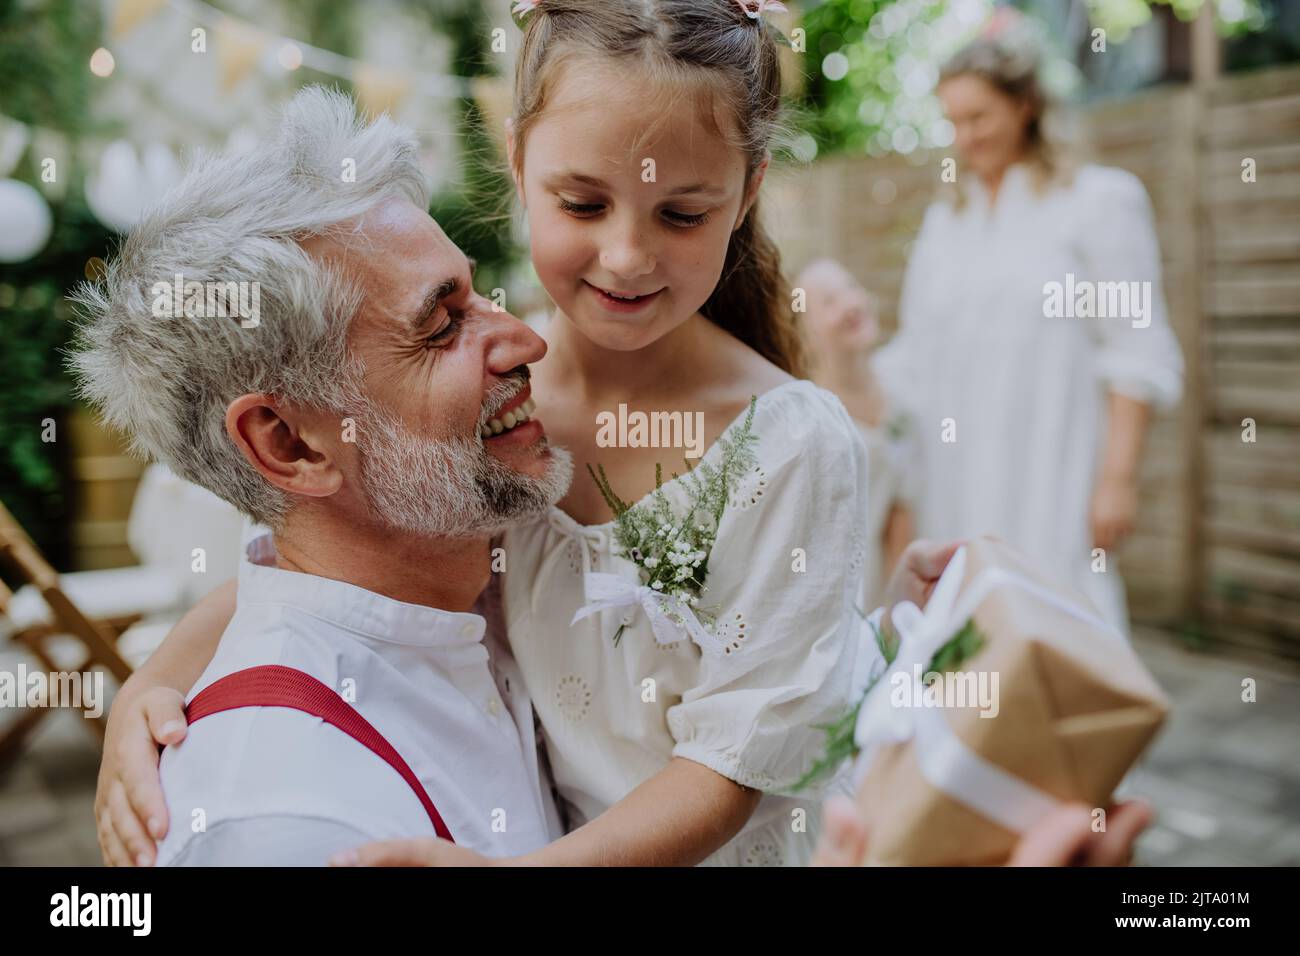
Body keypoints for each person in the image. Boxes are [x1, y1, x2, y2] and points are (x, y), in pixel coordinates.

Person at [73, 86, 574, 865]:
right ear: (289, 445)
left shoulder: (481, 571)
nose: (526, 342)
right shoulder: (286, 820)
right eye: (442, 325)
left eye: (483, 297)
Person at [872, 18, 1184, 632]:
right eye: (953, 122)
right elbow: (912, 356)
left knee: (1063, 633)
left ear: (1026, 105)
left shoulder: (1100, 202)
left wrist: (1117, 481)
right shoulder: (946, 223)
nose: (964, 138)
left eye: (979, 117)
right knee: (962, 641)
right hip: (952, 472)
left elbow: (1135, 350)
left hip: (1052, 469)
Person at [796, 258, 916, 607]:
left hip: (881, 580)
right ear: (804, 331)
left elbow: (901, 510)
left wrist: (901, 608)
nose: (850, 303)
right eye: (829, 302)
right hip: (825, 584)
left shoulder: (899, 397)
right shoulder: (808, 415)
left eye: (851, 288)